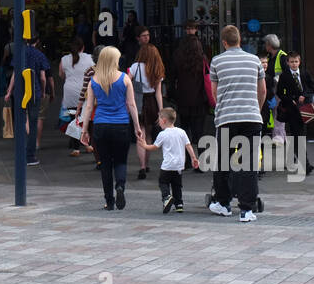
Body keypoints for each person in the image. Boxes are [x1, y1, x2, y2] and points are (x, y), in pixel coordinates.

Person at [208, 24, 266, 222]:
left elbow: (214, 92)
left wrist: (223, 107)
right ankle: (246, 210)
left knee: (224, 161)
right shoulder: (255, 61)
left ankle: (223, 203)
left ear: (224, 42)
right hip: (251, 118)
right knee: (248, 164)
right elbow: (263, 91)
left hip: (226, 118)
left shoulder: (217, 61)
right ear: (239, 40)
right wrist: (255, 110)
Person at [80, 46, 144, 210]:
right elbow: (131, 104)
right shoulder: (124, 79)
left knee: (106, 164)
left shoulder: (94, 80)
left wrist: (84, 129)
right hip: (121, 125)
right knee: (121, 161)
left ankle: (109, 201)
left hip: (101, 125)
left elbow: (88, 108)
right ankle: (120, 186)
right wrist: (137, 127)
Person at [137, 108, 199, 213]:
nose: (158, 122)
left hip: (167, 165)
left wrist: (144, 145)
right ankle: (179, 204)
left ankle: (166, 197)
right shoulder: (182, 132)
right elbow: (188, 145)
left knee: (163, 182)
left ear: (164, 120)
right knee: (177, 185)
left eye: (159, 119)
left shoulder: (163, 134)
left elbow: (154, 147)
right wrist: (194, 158)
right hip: (179, 165)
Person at [3, 33, 51, 166]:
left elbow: (14, 74)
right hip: (34, 92)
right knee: (33, 122)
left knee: (21, 121)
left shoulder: (19, 53)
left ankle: (20, 153)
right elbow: (43, 77)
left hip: (19, 92)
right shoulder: (40, 55)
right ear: (38, 41)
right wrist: (42, 91)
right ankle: (30, 156)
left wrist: (9, 91)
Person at [171, 21, 214, 166]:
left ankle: (187, 160)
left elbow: (172, 77)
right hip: (200, 99)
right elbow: (208, 78)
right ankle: (201, 160)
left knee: (184, 130)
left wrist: (173, 95)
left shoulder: (178, 56)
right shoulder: (202, 59)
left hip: (183, 98)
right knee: (199, 132)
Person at [128, 35, 166, 180]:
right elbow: (158, 93)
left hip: (138, 100)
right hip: (151, 103)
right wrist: (161, 111)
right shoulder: (157, 69)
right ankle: (147, 163)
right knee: (149, 135)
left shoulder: (135, 67)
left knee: (140, 134)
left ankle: (142, 166)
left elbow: (126, 81)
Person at [274, 51, 314, 175]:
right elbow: (280, 93)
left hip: (305, 109)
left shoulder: (304, 73)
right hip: (292, 110)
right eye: (291, 62)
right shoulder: (285, 76)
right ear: (287, 63)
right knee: (299, 136)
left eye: (296, 62)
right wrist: (290, 99)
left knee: (297, 135)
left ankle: (291, 158)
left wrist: (305, 95)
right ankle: (306, 164)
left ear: (300, 62)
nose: (294, 64)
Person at [59, 37, 95, 157]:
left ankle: (76, 149)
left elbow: (61, 75)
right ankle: (88, 145)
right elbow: (94, 73)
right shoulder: (89, 58)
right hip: (85, 92)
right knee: (87, 119)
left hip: (69, 93)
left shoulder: (64, 59)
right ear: (83, 47)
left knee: (74, 120)